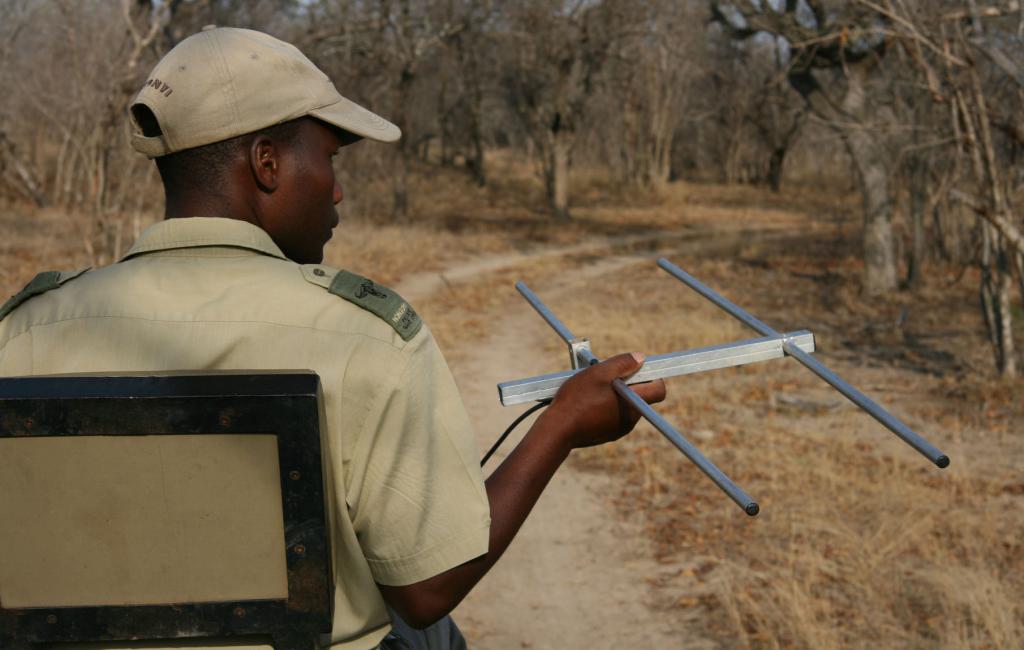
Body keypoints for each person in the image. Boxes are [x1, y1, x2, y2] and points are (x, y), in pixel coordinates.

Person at [0, 27, 666, 650]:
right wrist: (559, 429)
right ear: (266, 164)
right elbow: (426, 588)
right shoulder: (366, 337)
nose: (338, 189)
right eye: (328, 157)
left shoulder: (26, 331)